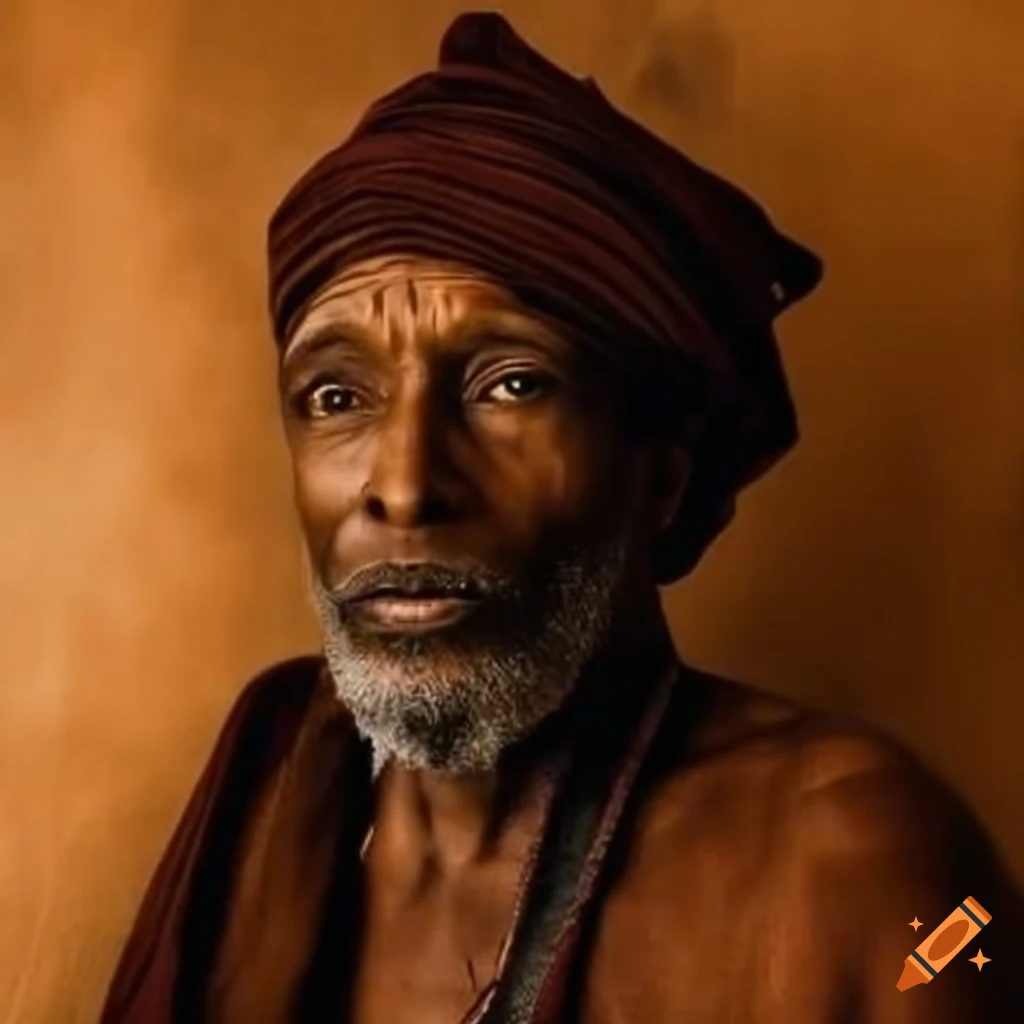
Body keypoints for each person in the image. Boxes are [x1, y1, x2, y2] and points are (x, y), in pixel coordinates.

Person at [99, 12, 1023, 1024]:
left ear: (659, 477)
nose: (403, 485)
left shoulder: (875, 872)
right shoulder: (271, 784)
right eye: (336, 396)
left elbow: (957, 955)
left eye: (510, 384)